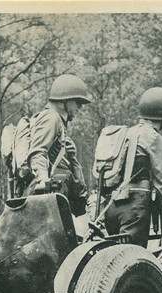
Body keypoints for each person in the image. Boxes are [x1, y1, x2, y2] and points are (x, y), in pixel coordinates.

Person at [100, 87, 162, 247]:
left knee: (116, 260)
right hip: (135, 208)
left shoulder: (124, 134)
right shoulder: (154, 139)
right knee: (132, 264)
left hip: (111, 207)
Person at [24, 74, 92, 216]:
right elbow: (38, 152)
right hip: (48, 195)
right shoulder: (51, 117)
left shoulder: (59, 123)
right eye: (77, 101)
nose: (80, 107)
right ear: (63, 102)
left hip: (54, 195)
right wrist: (43, 182)